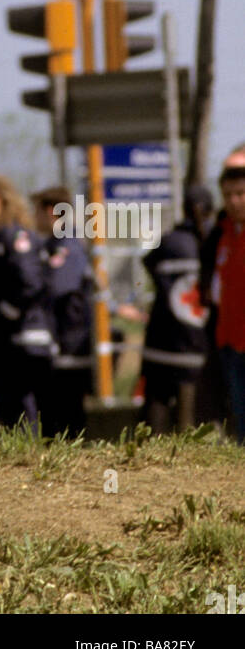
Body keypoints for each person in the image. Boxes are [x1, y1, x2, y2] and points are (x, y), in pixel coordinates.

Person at [0, 173, 56, 435]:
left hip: (23, 338)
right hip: (0, 339)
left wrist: (8, 312)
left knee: (27, 406)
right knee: (8, 406)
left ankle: (35, 461)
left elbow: (32, 283)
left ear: (4, 201)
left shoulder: (16, 237)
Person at [138, 185, 211, 434]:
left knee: (154, 415)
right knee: (188, 423)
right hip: (194, 345)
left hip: (160, 342)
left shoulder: (169, 241)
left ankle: (149, 457)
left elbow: (147, 262)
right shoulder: (212, 242)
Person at [32, 186, 94, 438]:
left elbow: (57, 289)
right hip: (59, 342)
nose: (33, 217)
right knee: (52, 414)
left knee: (68, 415)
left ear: (50, 212)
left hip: (69, 344)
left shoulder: (67, 248)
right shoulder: (53, 245)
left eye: (36, 211)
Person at [211, 164, 245, 443]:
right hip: (231, 343)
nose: (234, 201)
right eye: (228, 195)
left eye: (241, 193)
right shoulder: (222, 235)